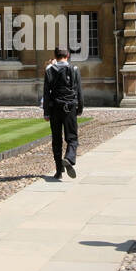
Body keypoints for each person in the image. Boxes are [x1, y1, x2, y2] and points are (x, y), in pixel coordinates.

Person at [43, 47, 83, 180]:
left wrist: (46, 112)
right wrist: (80, 108)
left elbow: (46, 92)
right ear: (68, 55)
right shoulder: (74, 69)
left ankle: (58, 171)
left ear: (55, 55)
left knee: (56, 140)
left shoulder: (49, 70)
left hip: (54, 107)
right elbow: (78, 91)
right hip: (69, 107)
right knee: (72, 138)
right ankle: (69, 158)